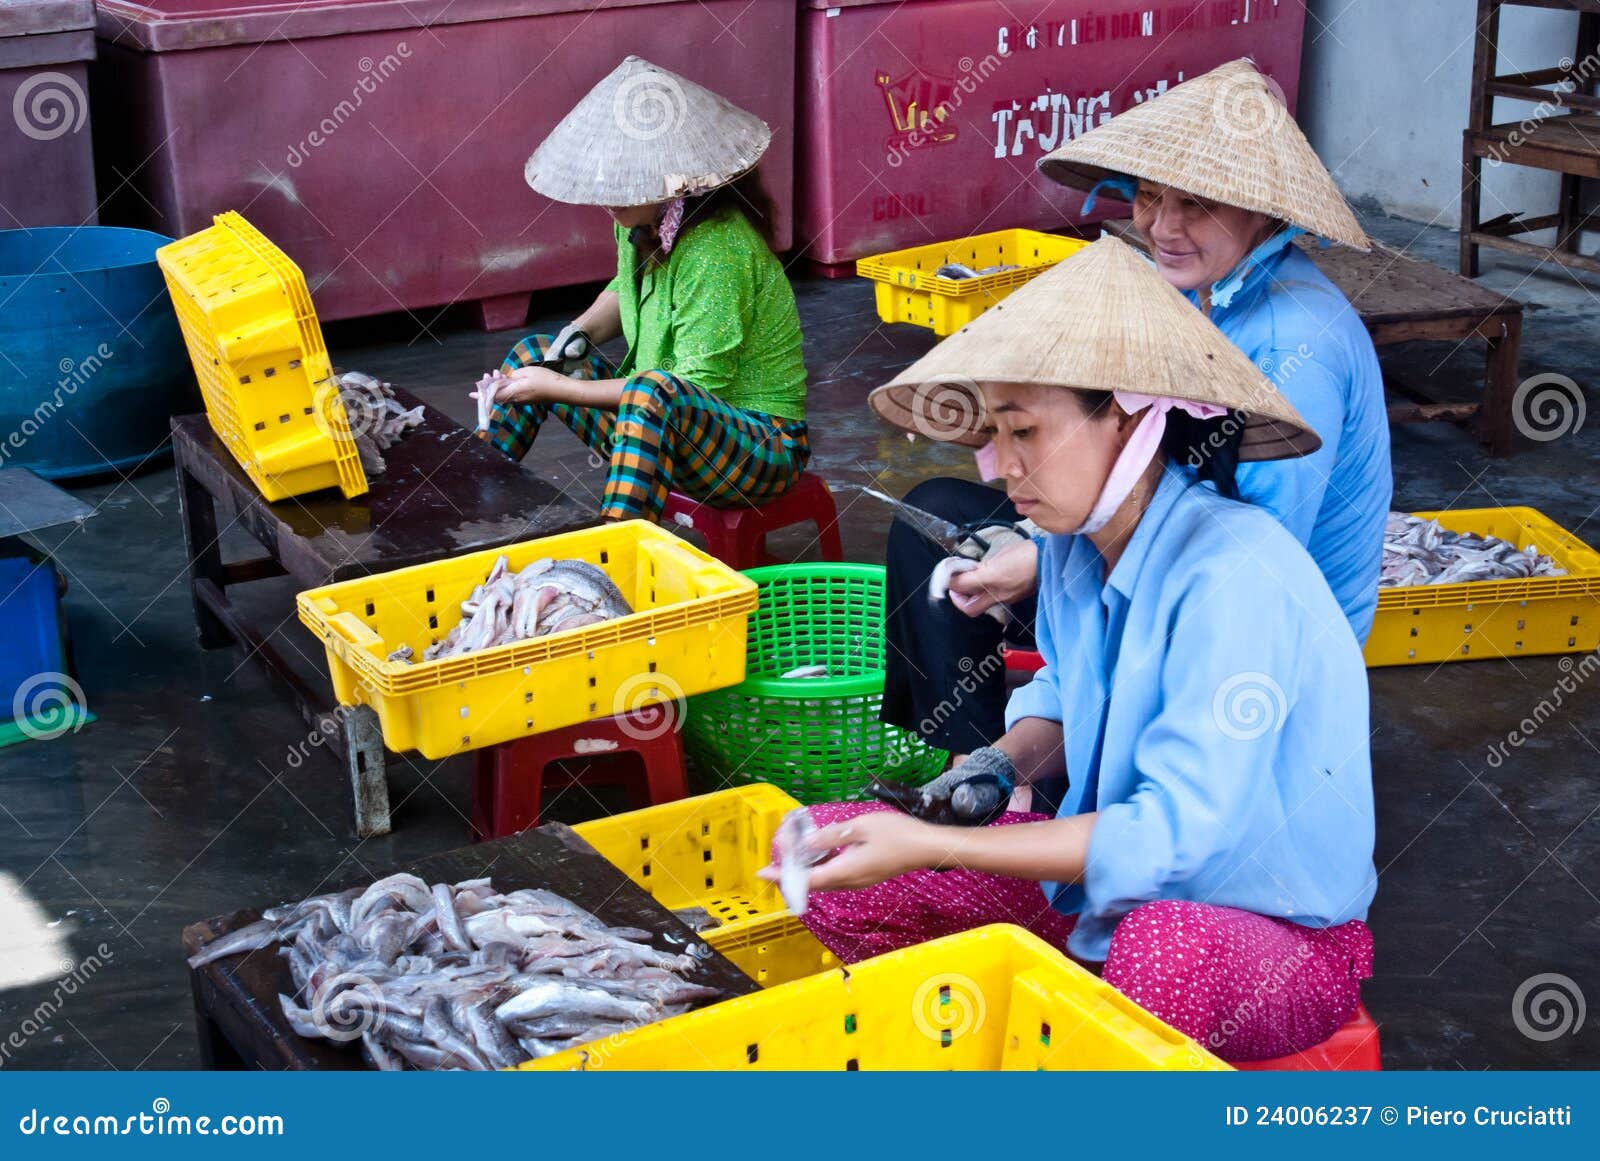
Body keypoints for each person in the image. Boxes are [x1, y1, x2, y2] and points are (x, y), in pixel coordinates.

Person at [771, 237, 1377, 1063]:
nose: (1003, 467)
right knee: (837, 851)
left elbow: (1171, 837)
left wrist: (944, 843)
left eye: (1024, 431)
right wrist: (988, 771)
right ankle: (1014, 1059)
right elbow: (1063, 692)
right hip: (1101, 898)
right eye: (992, 433)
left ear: (1129, 418)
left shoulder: (1236, 574)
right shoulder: (1068, 543)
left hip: (1272, 937)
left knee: (1163, 952)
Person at [881, 58, 1391, 766]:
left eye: (1198, 205)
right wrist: (1037, 532)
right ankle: (978, 770)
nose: (1165, 228)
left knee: (1043, 566)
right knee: (932, 519)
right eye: (1151, 198)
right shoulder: (1191, 289)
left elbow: (1258, 558)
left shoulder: (1293, 339)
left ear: (1264, 211)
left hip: (1255, 622)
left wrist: (1040, 557)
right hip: (1157, 539)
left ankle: (1012, 786)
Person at [478, 56, 809, 523]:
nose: (610, 198)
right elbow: (627, 288)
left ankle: (617, 553)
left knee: (650, 391)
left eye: (626, 184)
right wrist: (579, 332)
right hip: (662, 421)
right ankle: (469, 502)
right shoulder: (639, 220)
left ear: (674, 179)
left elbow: (688, 389)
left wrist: (558, 388)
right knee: (533, 353)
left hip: (760, 447)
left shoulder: (718, 248)